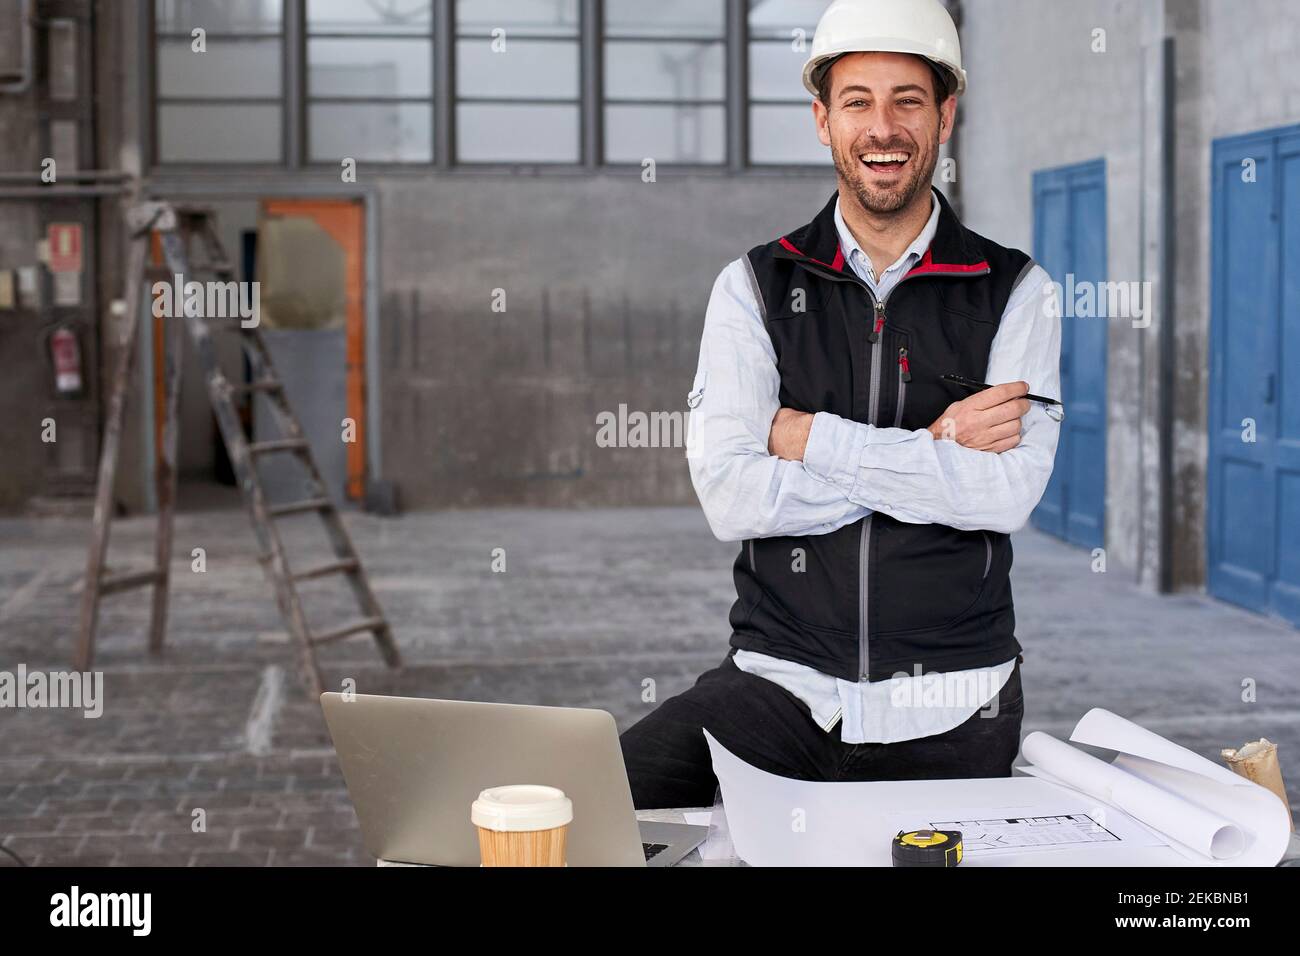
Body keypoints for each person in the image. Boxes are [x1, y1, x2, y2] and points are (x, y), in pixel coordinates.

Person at [619, 0, 1062, 809]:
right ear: (822, 120)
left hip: (957, 701)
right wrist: (933, 447)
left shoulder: (1016, 293)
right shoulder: (753, 287)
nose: (882, 127)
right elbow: (731, 495)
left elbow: (1006, 492)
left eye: (908, 100)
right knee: (583, 811)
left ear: (947, 115)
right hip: (776, 688)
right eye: (857, 101)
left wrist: (807, 436)